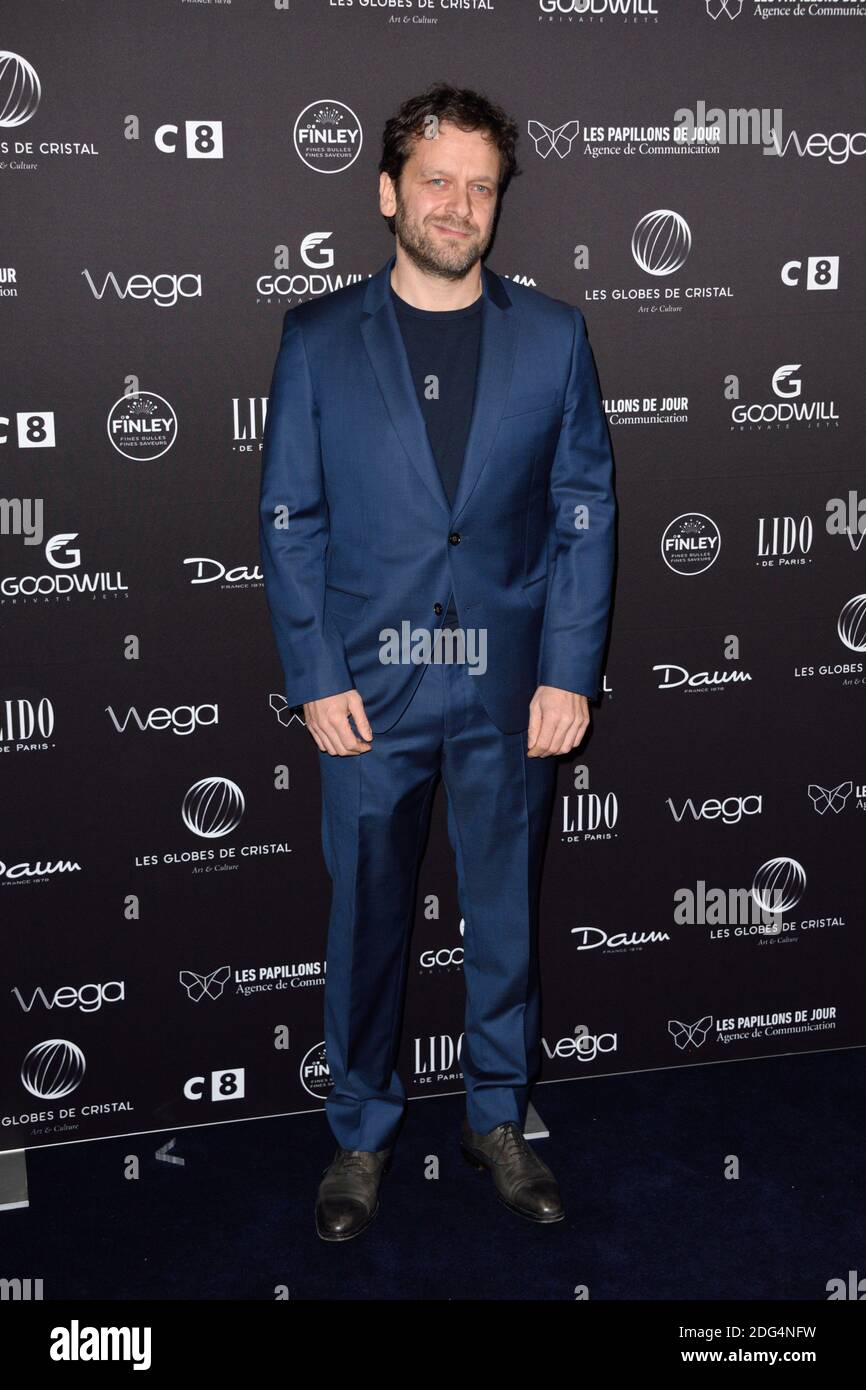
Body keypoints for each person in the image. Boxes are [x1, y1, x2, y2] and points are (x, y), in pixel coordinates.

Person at [259, 83, 617, 1241]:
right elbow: (291, 518)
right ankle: (360, 1130)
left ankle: (495, 1114)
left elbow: (582, 506)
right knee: (367, 913)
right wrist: (313, 674)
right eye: (435, 181)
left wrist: (567, 670)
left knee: (504, 908)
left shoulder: (554, 335)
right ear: (386, 193)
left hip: (509, 689)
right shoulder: (316, 338)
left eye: (479, 186)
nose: (458, 206)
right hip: (367, 687)